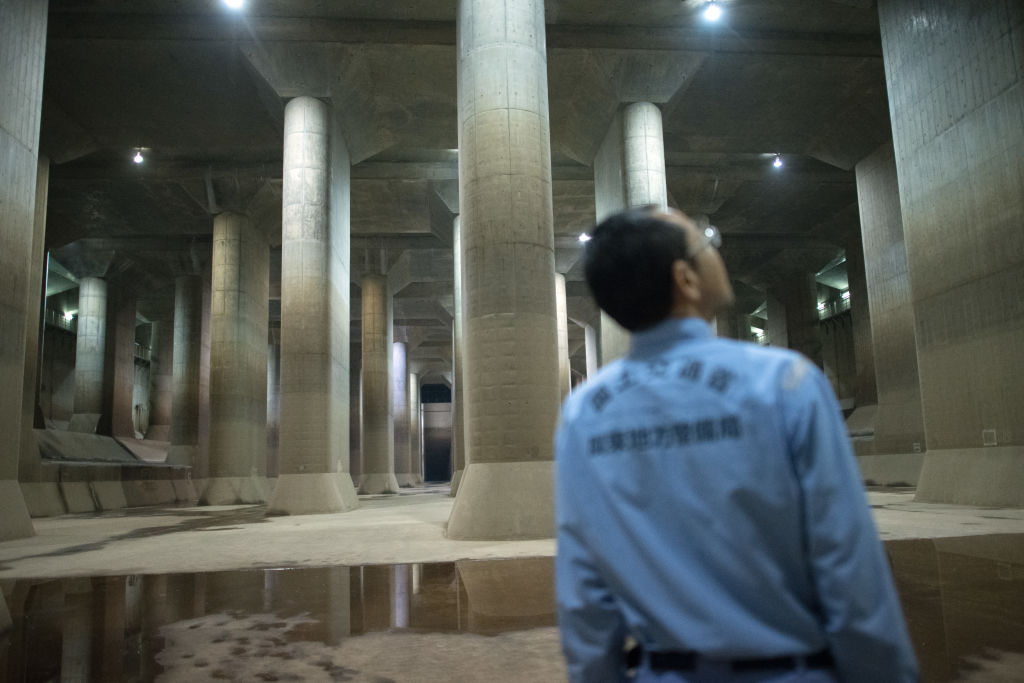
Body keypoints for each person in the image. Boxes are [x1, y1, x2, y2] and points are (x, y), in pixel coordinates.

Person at [554, 206, 919, 683]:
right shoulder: (784, 383)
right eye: (707, 241)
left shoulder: (585, 414)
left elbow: (584, 592)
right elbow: (846, 566)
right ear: (685, 279)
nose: (716, 250)